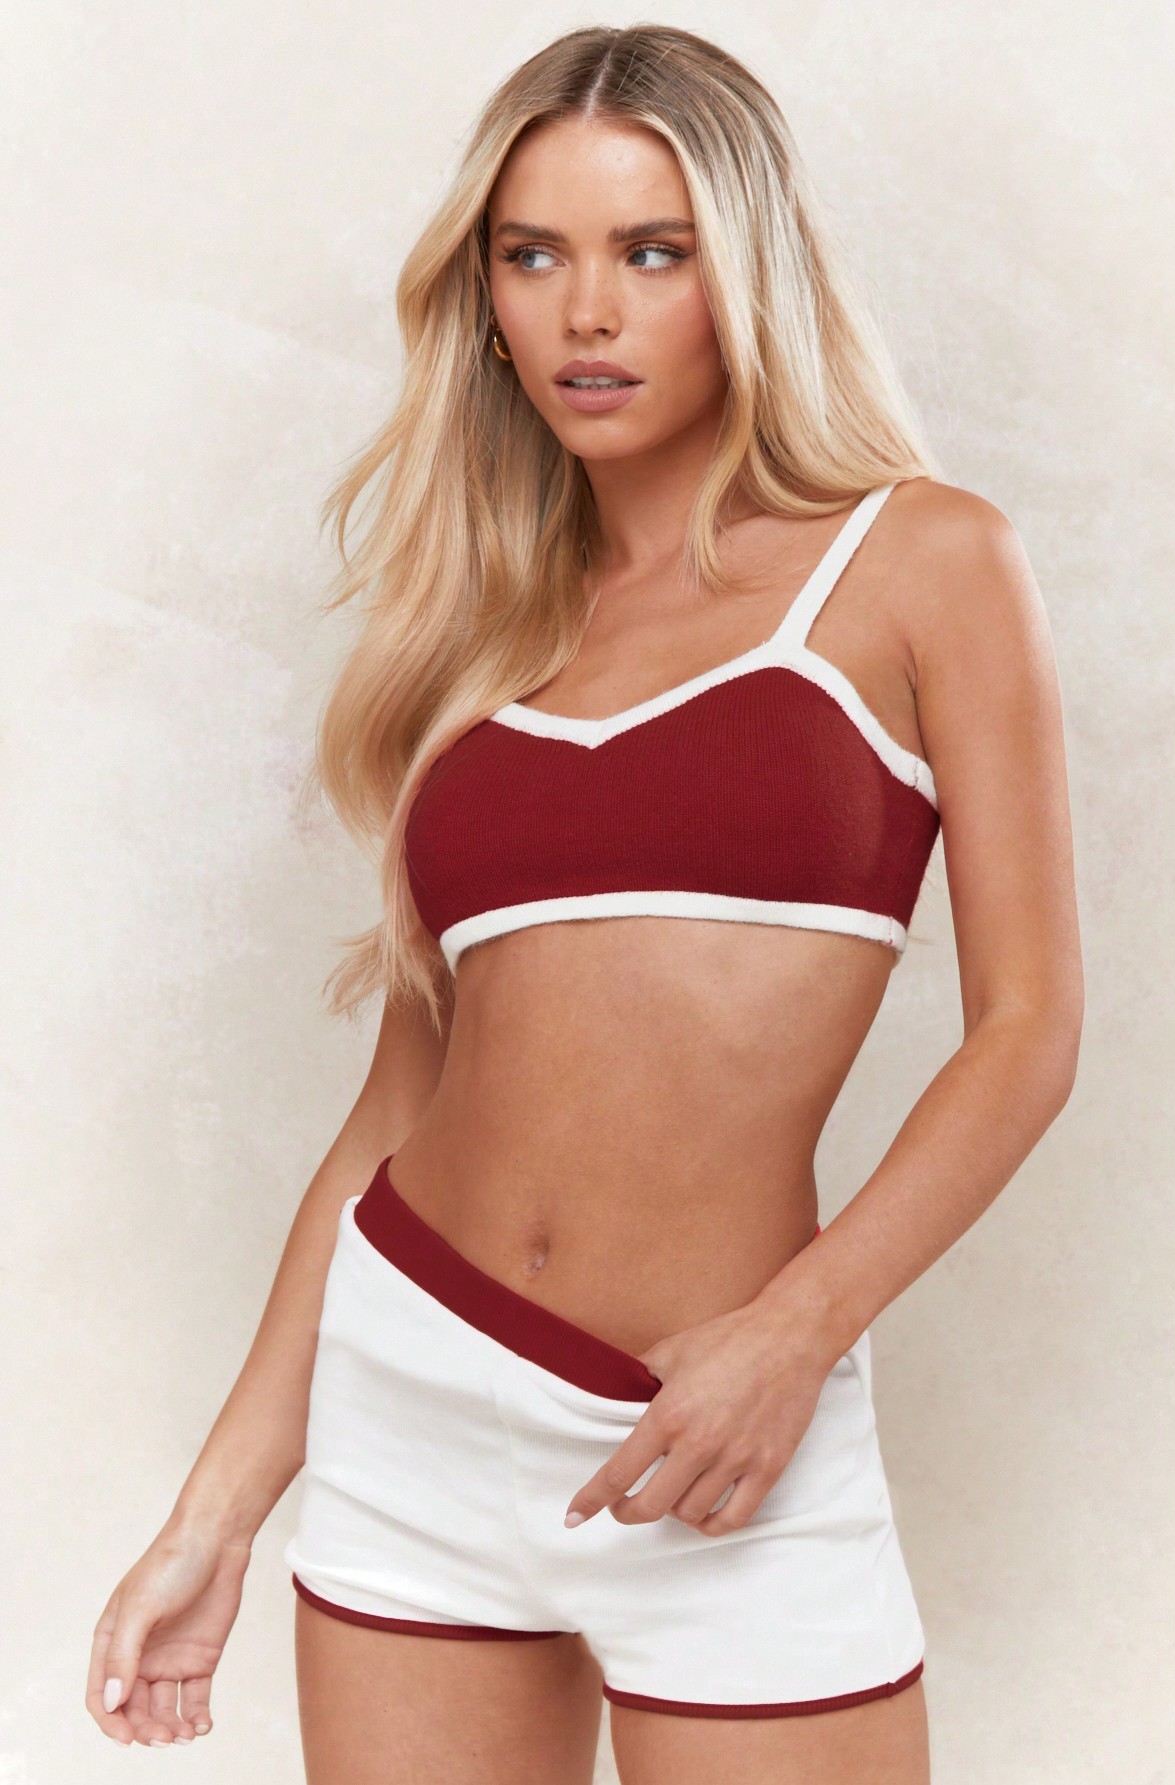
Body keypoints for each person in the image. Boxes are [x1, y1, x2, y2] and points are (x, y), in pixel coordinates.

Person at [85, 23, 1082, 1784]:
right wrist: (215, 1513)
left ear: (745, 273)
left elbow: (1028, 1031)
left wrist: (799, 1330)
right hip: (408, 1404)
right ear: (482, 297)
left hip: (721, 1425)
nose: (587, 313)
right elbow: (392, 1116)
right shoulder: (481, 640)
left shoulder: (922, 561)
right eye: (532, 256)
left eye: (654, 251)